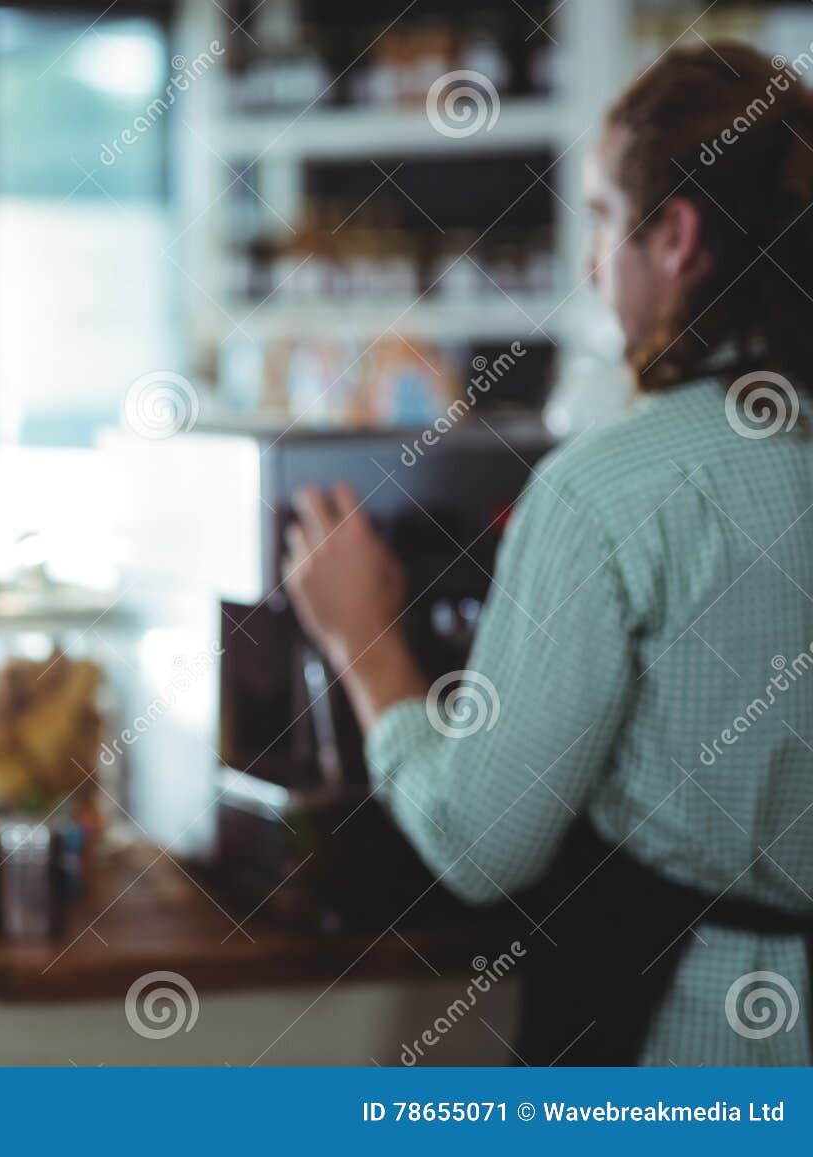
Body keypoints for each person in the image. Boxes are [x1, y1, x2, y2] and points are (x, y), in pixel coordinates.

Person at [282, 42, 813, 1065]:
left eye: (606, 220)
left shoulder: (612, 487)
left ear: (677, 238)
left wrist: (367, 643)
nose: (589, 262)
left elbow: (484, 843)